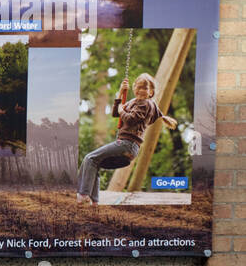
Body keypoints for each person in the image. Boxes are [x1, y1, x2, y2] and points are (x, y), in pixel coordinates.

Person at [76, 72, 178, 205]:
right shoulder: (133, 102)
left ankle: (83, 194)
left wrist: (121, 110)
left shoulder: (146, 104)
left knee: (90, 158)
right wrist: (120, 93)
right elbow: (114, 113)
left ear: (151, 92)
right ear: (134, 88)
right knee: (95, 163)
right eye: (138, 87)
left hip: (127, 144)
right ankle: (94, 201)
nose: (141, 90)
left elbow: (130, 119)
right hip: (127, 146)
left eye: (145, 88)